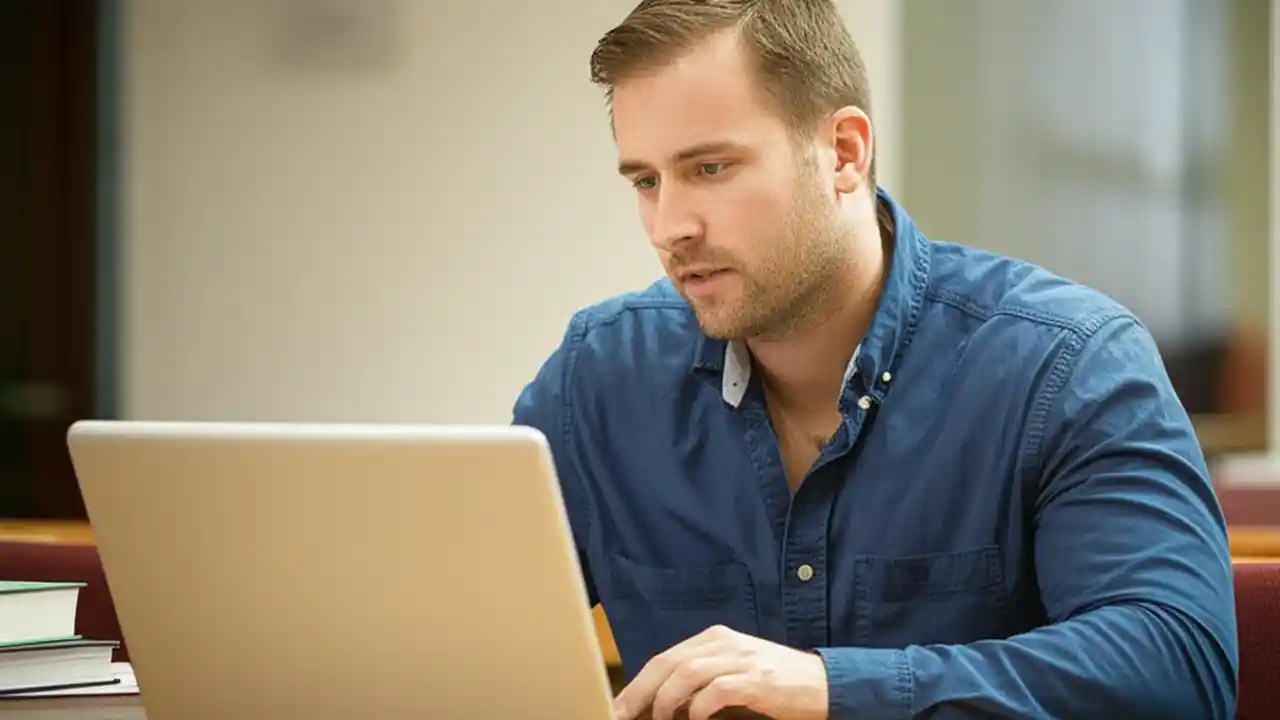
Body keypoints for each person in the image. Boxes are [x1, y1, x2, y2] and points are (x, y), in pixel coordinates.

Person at [512, 1, 1238, 718]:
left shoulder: (1068, 363)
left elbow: (1177, 672)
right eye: (646, 181)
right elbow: (453, 640)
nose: (671, 226)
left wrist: (833, 689)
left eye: (710, 167)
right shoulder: (598, 380)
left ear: (845, 153)